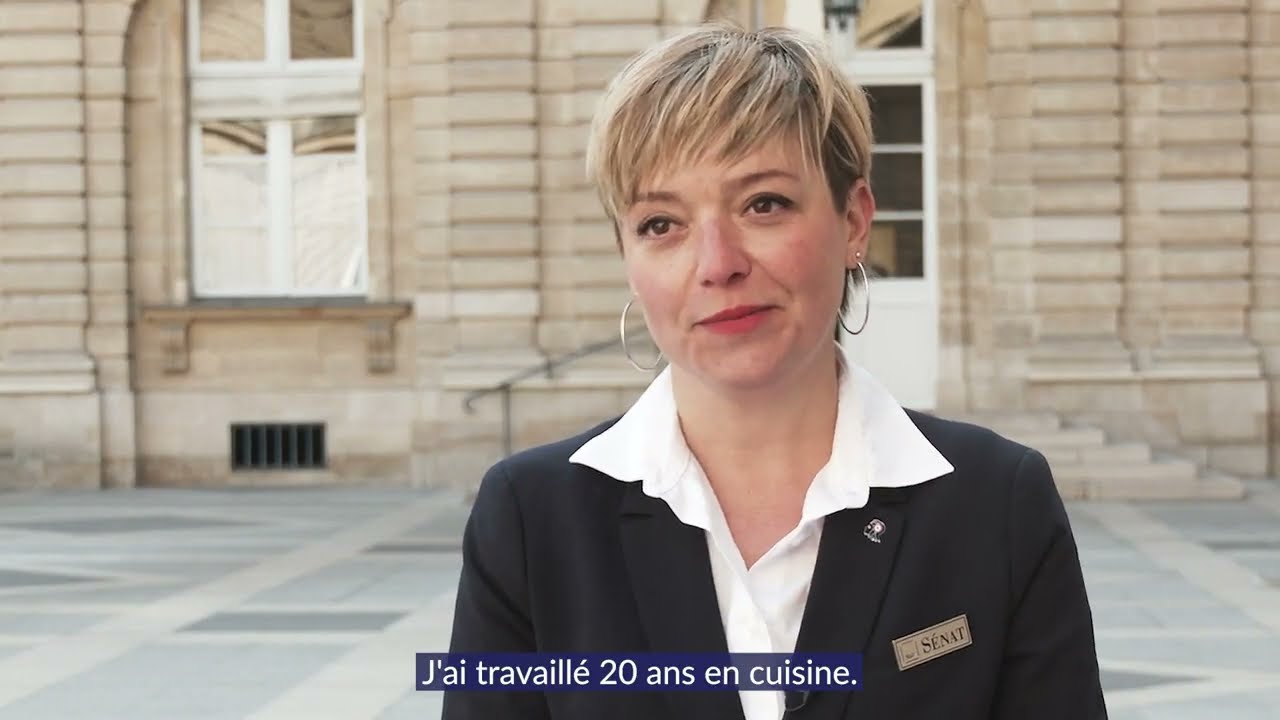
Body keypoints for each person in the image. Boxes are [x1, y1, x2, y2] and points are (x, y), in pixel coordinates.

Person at [442, 22, 1108, 720]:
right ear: (628, 260)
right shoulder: (531, 518)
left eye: (764, 204)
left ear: (854, 221)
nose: (717, 262)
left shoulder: (997, 505)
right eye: (662, 224)